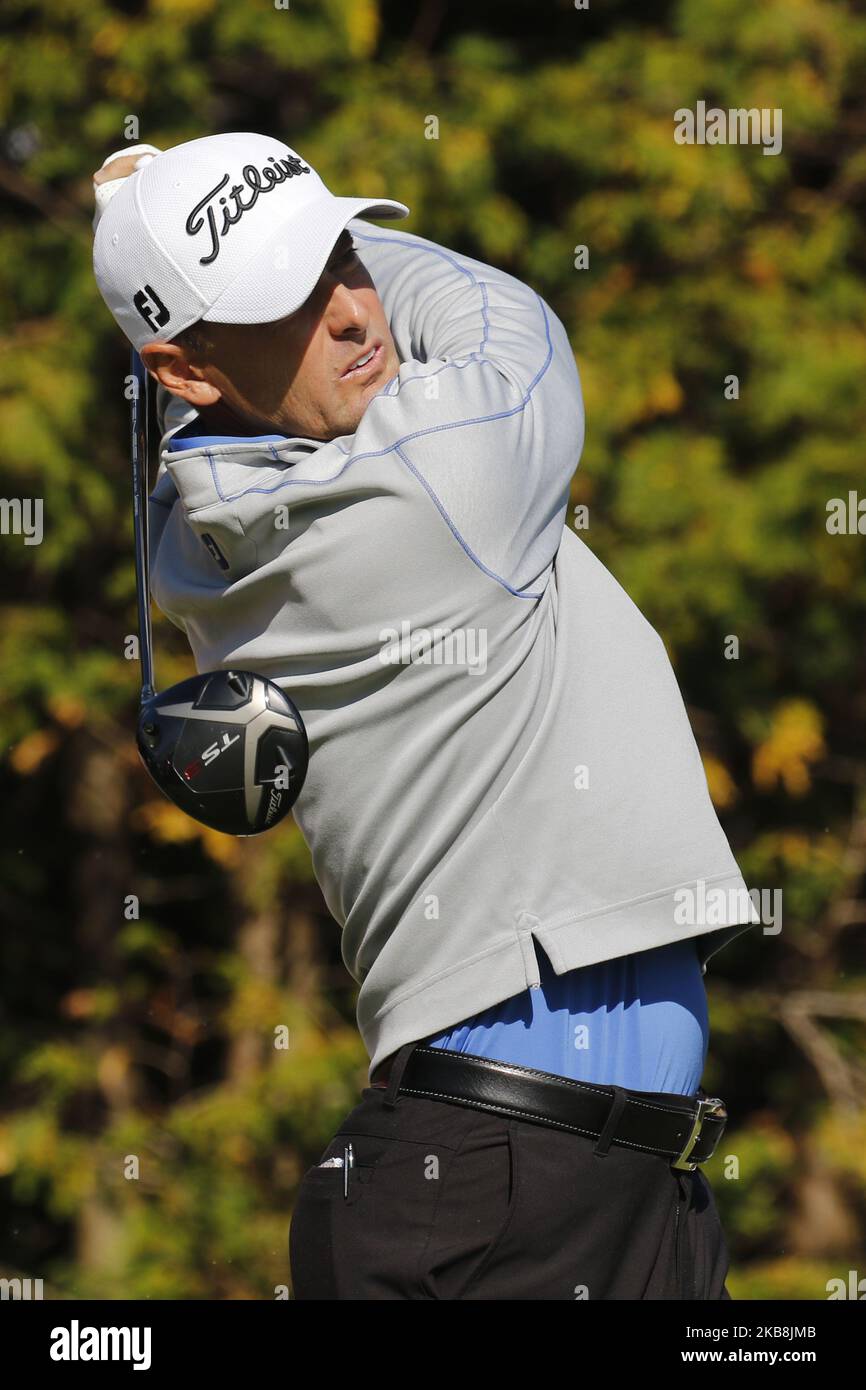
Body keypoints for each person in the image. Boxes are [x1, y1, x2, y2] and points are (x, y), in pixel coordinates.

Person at [92, 132, 757, 1301]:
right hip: (502, 1195)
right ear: (186, 369)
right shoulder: (434, 483)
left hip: (595, 1190)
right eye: (290, 298)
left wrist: (171, 241)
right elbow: (506, 317)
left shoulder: (193, 531)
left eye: (342, 257)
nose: (352, 312)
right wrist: (329, 241)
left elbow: (202, 401)